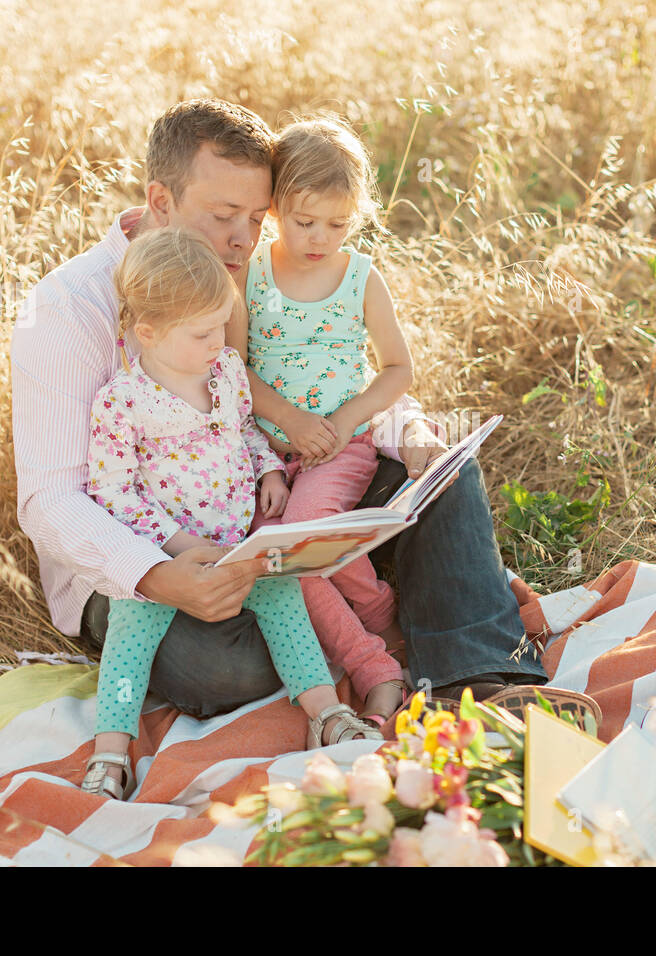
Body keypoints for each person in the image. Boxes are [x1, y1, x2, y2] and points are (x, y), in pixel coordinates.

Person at [11, 98, 558, 746]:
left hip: (269, 513)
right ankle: (394, 603)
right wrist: (161, 575)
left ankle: (484, 681)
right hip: (140, 564)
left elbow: (327, 382)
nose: (244, 240)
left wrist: (407, 429)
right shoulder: (65, 308)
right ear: (160, 202)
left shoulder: (249, 275)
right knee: (219, 670)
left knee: (441, 467)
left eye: (256, 217)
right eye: (223, 218)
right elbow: (50, 500)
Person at [80, 227, 381, 798]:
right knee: (129, 636)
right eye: (203, 332)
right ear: (148, 332)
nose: (221, 340)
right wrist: (175, 548)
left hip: (239, 543)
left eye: (223, 324)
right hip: (165, 557)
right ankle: (112, 752)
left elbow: (242, 433)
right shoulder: (122, 402)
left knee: (285, 599)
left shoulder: (223, 376)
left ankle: (325, 712)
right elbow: (114, 492)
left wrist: (268, 467)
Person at [231, 114, 413, 726]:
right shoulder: (252, 272)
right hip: (267, 447)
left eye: (338, 224)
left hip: (340, 447)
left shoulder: (360, 277)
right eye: (305, 222)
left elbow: (395, 370)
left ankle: (383, 625)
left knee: (306, 530)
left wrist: (339, 423)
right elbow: (234, 367)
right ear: (277, 208)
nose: (320, 238)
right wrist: (285, 425)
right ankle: (377, 654)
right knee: (275, 556)